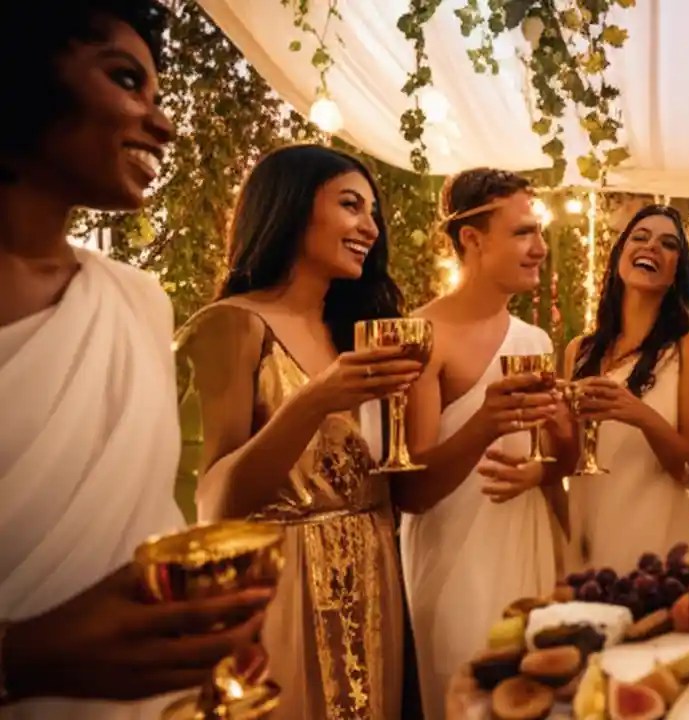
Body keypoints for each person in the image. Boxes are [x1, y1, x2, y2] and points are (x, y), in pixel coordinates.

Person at [0, 1, 272, 716]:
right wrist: (24, 656)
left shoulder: (139, 301)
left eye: (160, 97)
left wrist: (195, 622)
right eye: (125, 81)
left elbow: (143, 520)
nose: (164, 124)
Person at [174, 144, 421, 718]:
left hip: (373, 572)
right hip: (281, 587)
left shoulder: (356, 332)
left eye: (373, 212)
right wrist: (313, 403)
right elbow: (214, 503)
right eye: (351, 205)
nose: (371, 226)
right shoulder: (232, 326)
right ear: (290, 207)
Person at [398, 168, 572, 716]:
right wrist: (486, 422)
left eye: (538, 233)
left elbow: (557, 461)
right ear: (471, 239)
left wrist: (562, 441)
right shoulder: (419, 336)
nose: (540, 248)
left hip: (529, 548)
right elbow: (414, 490)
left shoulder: (536, 341)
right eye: (523, 232)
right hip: (454, 565)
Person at [565, 204, 689, 571]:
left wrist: (639, 414)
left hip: (659, 542)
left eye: (668, 244)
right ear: (620, 255)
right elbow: (566, 456)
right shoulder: (580, 350)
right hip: (587, 534)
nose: (651, 247)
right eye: (639, 237)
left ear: (676, 273)